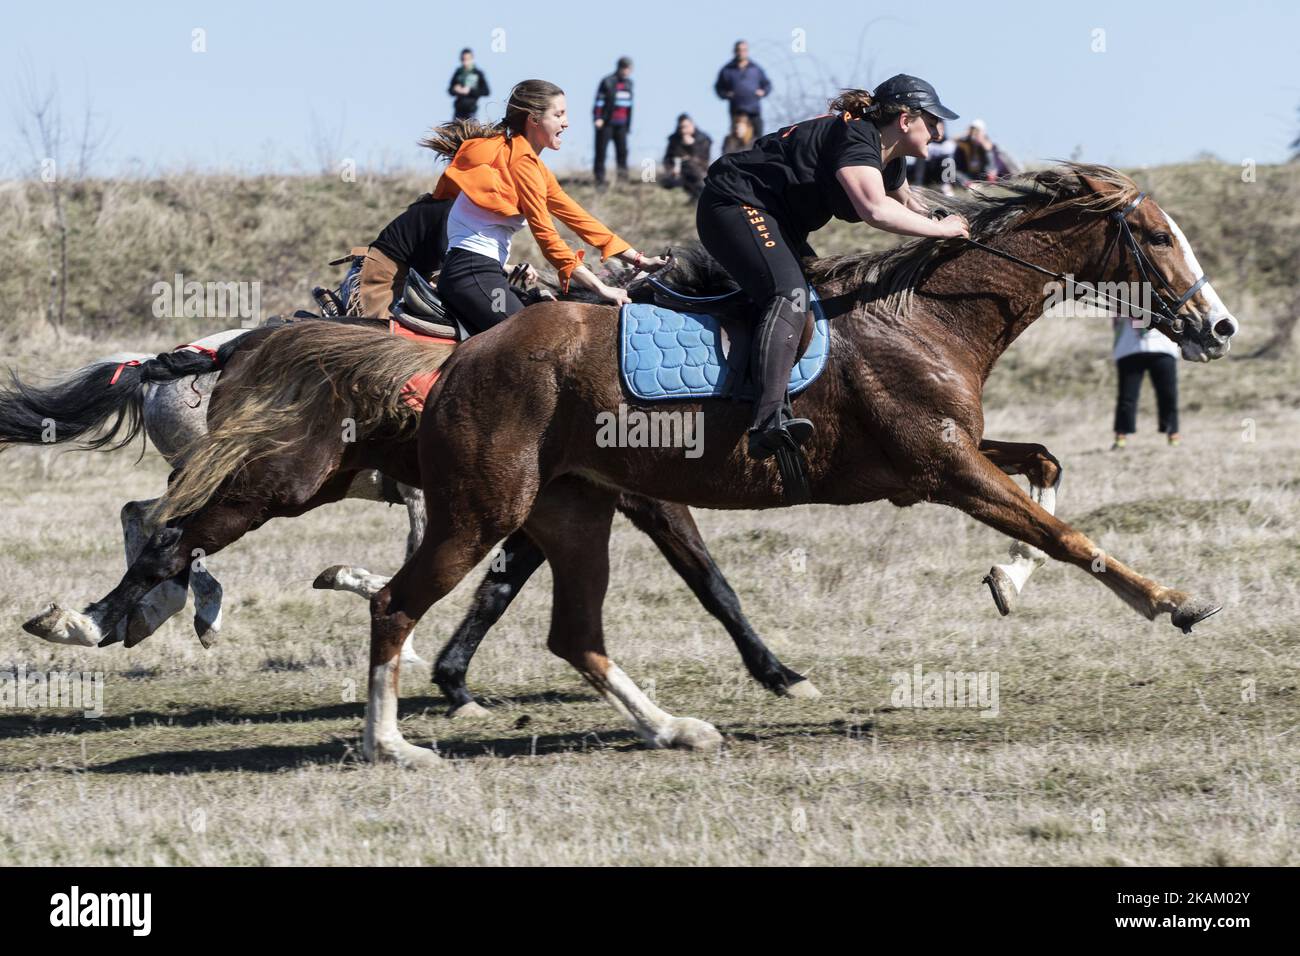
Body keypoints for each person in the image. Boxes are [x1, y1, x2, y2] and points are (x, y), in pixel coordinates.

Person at [697, 74, 970, 460]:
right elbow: (875, 210)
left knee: (818, 291)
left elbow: (907, 203)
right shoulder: (857, 138)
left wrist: (950, 221)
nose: (940, 133)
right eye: (933, 120)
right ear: (905, 119)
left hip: (774, 219)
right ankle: (766, 421)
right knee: (789, 295)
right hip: (734, 204)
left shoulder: (888, 157)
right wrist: (940, 231)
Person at [423, 79, 668, 335]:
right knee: (532, 342)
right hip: (472, 272)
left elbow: (580, 219)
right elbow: (547, 238)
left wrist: (640, 259)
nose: (567, 122)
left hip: (482, 271)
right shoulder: (522, 164)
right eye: (558, 114)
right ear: (534, 119)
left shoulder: (534, 166)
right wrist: (600, 288)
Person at [349, 195, 453, 318]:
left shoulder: (451, 205)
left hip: (413, 277)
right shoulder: (453, 210)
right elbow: (454, 261)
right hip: (383, 275)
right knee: (384, 333)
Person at [1112, 316, 1182, 449]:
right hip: (1130, 347)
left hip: (1162, 346)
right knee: (1127, 395)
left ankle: (1173, 432)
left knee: (1168, 394)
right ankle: (1121, 436)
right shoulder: (1125, 296)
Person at [714, 40, 772, 137]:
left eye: (744, 50)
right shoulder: (727, 70)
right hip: (737, 110)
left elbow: (767, 84)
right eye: (739, 50)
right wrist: (726, 94)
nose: (741, 52)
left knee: (758, 138)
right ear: (734, 51)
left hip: (754, 110)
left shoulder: (756, 69)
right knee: (737, 139)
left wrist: (763, 92)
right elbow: (718, 88)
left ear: (747, 51)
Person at [593, 57, 634, 189]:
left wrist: (628, 124)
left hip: (622, 124)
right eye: (625, 68)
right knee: (601, 152)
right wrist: (598, 118)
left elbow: (629, 105)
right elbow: (599, 101)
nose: (627, 71)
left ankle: (623, 180)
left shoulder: (629, 83)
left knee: (622, 152)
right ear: (620, 68)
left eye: (629, 69)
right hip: (606, 123)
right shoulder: (608, 81)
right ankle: (600, 180)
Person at [661, 113, 712, 200]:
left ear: (692, 125)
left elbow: (703, 159)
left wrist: (692, 145)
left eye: (686, 127)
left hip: (698, 172)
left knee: (693, 174)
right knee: (667, 182)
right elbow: (668, 158)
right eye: (681, 127)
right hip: (677, 172)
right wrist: (672, 168)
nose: (683, 130)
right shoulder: (674, 139)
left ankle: (697, 197)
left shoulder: (703, 139)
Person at [448, 48, 490, 121]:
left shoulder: (478, 73)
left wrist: (469, 91)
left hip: (471, 110)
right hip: (458, 111)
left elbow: (486, 91)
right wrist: (456, 89)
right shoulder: (458, 73)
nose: (465, 61)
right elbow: (450, 91)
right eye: (463, 59)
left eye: (467, 59)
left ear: (472, 59)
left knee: (473, 131)